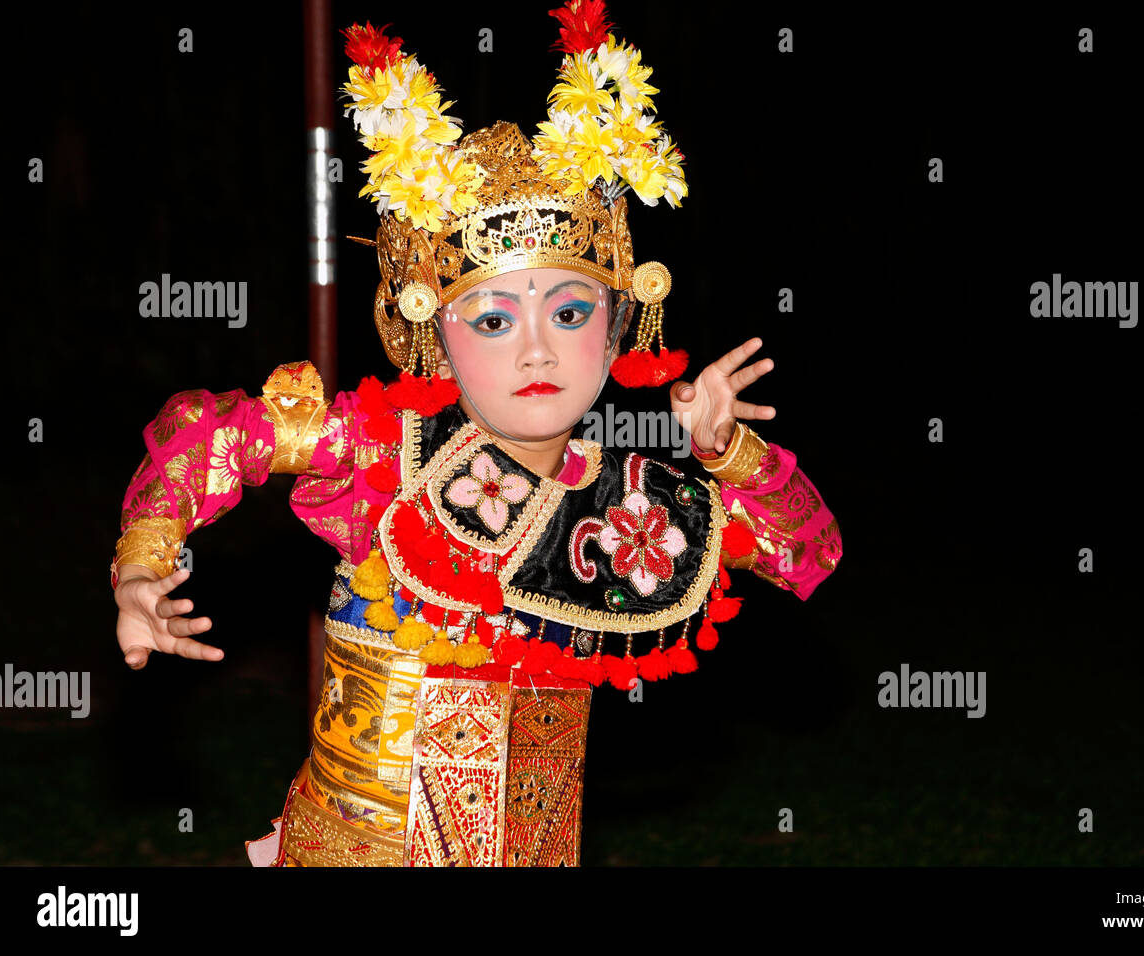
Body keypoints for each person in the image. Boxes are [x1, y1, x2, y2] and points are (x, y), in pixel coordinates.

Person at [111, 7, 842, 866]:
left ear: (617, 328)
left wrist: (731, 453)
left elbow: (808, 550)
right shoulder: (389, 454)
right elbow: (213, 434)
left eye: (569, 313)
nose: (537, 348)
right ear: (435, 336)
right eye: (493, 319)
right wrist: (142, 569)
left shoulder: (636, 507)